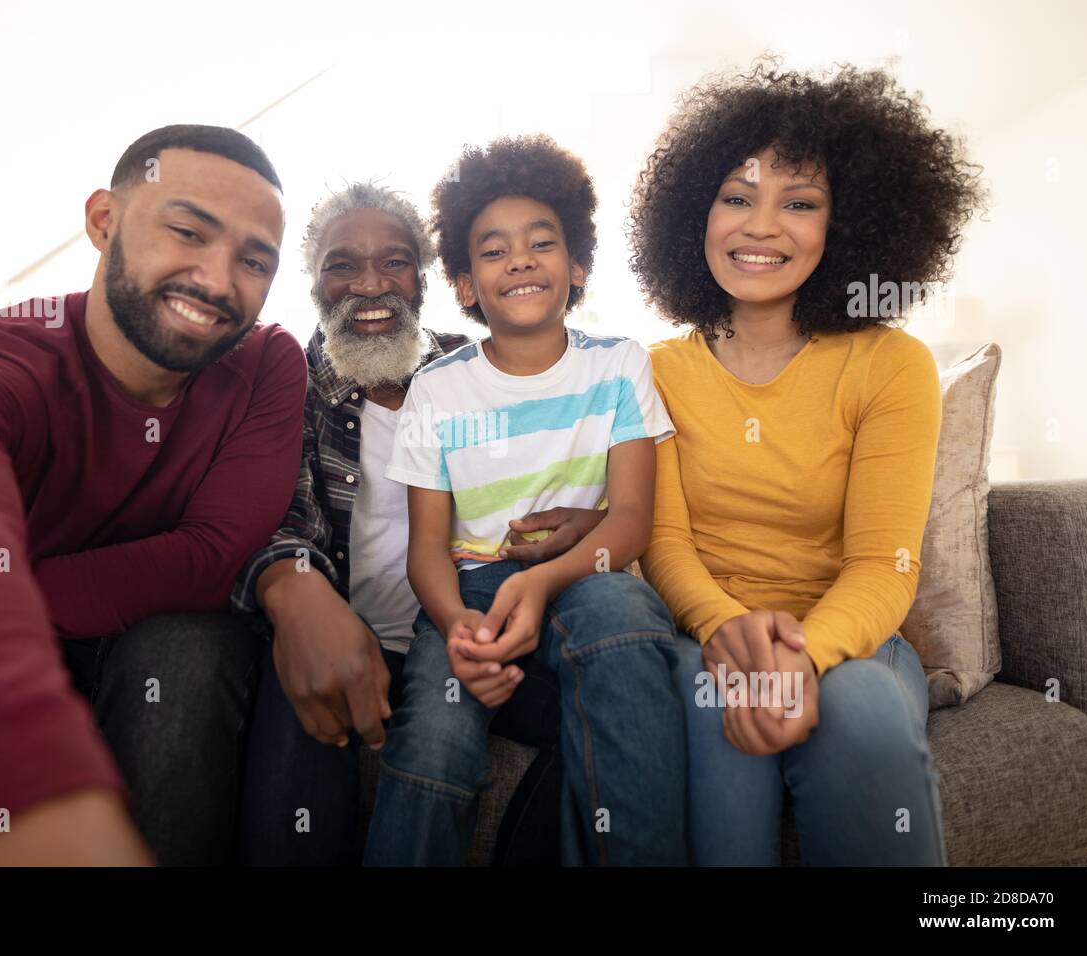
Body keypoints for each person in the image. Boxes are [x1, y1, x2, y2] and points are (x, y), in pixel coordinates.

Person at [0, 124, 305, 865]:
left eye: (253, 260)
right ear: (104, 221)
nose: (217, 279)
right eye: (187, 231)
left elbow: (212, 555)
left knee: (190, 648)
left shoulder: (267, 362)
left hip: (139, 644)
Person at [629, 62, 986, 864]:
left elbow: (883, 564)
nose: (762, 226)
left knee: (859, 711)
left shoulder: (891, 365)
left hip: (852, 635)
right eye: (736, 197)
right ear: (695, 213)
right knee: (715, 720)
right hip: (705, 635)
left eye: (799, 202)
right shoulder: (649, 371)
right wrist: (727, 634)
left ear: (846, 226)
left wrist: (802, 657)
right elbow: (664, 543)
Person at [234, 183, 603, 865]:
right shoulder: (290, 385)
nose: (371, 285)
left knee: (617, 712)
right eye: (342, 265)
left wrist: (586, 520)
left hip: (478, 633)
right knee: (298, 705)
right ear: (312, 282)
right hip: (349, 644)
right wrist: (301, 596)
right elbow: (271, 519)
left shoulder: (487, 370)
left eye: (395, 262)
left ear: (426, 276)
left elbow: (572, 472)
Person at [364, 136, 687, 866]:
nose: (520, 259)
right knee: (436, 737)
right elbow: (426, 551)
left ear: (575, 268)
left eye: (542, 243)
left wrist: (543, 581)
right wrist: (458, 630)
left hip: (586, 573)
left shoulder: (619, 364)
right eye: (494, 250)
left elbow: (632, 520)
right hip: (470, 589)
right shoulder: (438, 388)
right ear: (467, 285)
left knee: (624, 611)